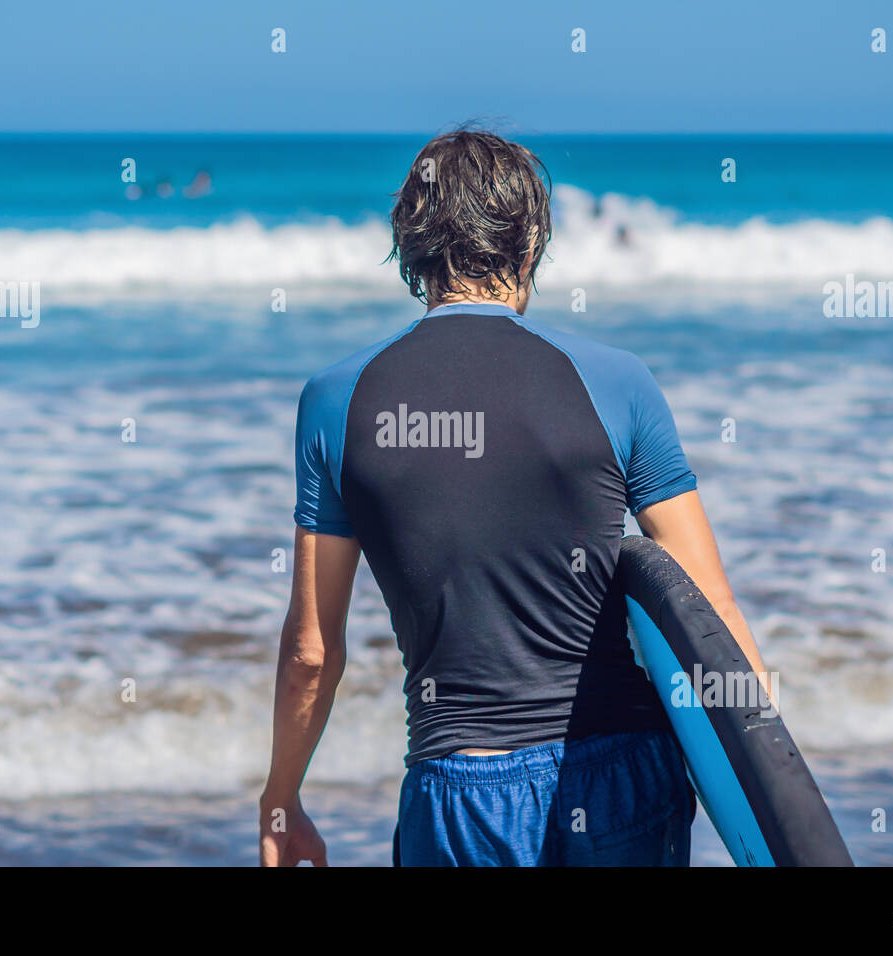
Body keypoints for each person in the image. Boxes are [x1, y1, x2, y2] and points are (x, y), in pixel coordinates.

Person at [259, 127, 768, 867]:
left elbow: (311, 652)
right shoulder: (617, 381)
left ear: (411, 248)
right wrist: (770, 801)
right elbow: (710, 610)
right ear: (529, 243)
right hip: (626, 774)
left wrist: (282, 799)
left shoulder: (338, 401)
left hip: (459, 792)